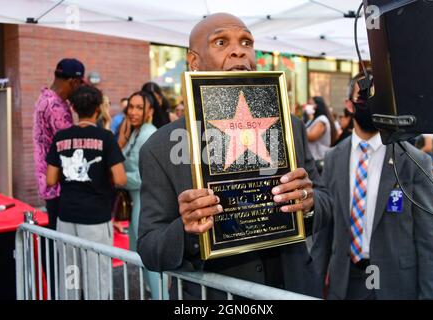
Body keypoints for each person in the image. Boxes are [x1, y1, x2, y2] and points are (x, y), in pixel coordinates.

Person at [137, 13, 332, 299]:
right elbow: (150, 249)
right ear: (194, 62)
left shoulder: (290, 127)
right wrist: (188, 230)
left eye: (246, 41)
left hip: (292, 288)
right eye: (220, 41)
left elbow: (326, 203)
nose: (239, 49)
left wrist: (309, 202)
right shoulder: (160, 147)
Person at [320, 71, 433, 299]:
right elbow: (324, 232)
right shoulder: (333, 158)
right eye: (364, 96)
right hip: (347, 280)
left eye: (380, 97)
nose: (372, 103)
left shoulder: (413, 161)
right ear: (349, 105)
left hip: (395, 284)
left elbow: (430, 240)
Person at [46, 85, 127, 299]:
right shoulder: (106, 138)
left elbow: (50, 179)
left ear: (73, 108)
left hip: (67, 216)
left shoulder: (61, 137)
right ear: (98, 109)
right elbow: (120, 179)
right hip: (96, 218)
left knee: (69, 273)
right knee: (97, 274)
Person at [119, 90, 169, 299]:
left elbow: (146, 176)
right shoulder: (136, 132)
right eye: (131, 106)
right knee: (144, 256)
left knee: (150, 256)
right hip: (135, 201)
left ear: (149, 111)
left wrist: (119, 179)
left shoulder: (148, 134)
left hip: (145, 203)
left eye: (139, 107)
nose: (133, 111)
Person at [33, 58, 85, 230]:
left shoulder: (45, 97)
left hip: (48, 180)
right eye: (79, 84)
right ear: (73, 81)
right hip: (58, 186)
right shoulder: (56, 107)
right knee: (63, 241)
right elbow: (69, 145)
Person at [306, 96, 338, 173]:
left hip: (319, 159)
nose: (308, 106)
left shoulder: (322, 120)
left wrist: (298, 130)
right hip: (315, 159)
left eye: (310, 104)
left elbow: (312, 136)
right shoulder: (314, 119)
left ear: (317, 105)